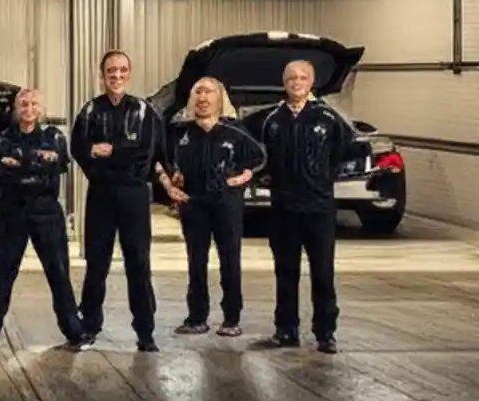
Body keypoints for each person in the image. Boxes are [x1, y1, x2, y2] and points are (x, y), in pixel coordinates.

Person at [0, 88, 92, 352]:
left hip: (46, 212)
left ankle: (74, 330)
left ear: (41, 109)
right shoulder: (3, 139)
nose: (28, 108)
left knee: (58, 272)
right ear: (17, 109)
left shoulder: (54, 137)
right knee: (3, 272)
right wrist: (18, 165)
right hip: (12, 212)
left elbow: (56, 164)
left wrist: (16, 165)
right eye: (23, 104)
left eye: (33, 103)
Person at [256, 59, 358, 354]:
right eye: (291, 78)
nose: (296, 83)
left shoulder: (328, 118)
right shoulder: (273, 120)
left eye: (302, 78)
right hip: (283, 209)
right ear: (284, 82)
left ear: (311, 82)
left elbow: (344, 151)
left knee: (322, 272)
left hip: (319, 209)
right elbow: (263, 158)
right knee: (285, 271)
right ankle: (286, 329)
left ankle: (325, 332)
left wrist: (323, 179)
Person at [71, 50, 166, 352]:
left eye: (122, 70)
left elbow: (146, 153)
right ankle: (89, 326)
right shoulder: (89, 111)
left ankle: (145, 331)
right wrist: (100, 155)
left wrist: (109, 150)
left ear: (129, 73)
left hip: (134, 195)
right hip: (100, 194)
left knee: (138, 262)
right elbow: (79, 148)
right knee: (96, 263)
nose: (116, 75)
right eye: (111, 70)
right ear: (102, 75)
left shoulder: (143, 111)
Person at [155, 76, 264, 339]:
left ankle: (231, 318)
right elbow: (158, 161)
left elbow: (259, 158)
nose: (203, 98)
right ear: (192, 99)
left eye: (209, 92)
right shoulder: (178, 132)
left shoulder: (235, 131)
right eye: (198, 92)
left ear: (219, 98)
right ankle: (196, 318)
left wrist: (244, 177)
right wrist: (169, 186)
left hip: (226, 204)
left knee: (230, 260)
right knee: (196, 262)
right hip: (193, 205)